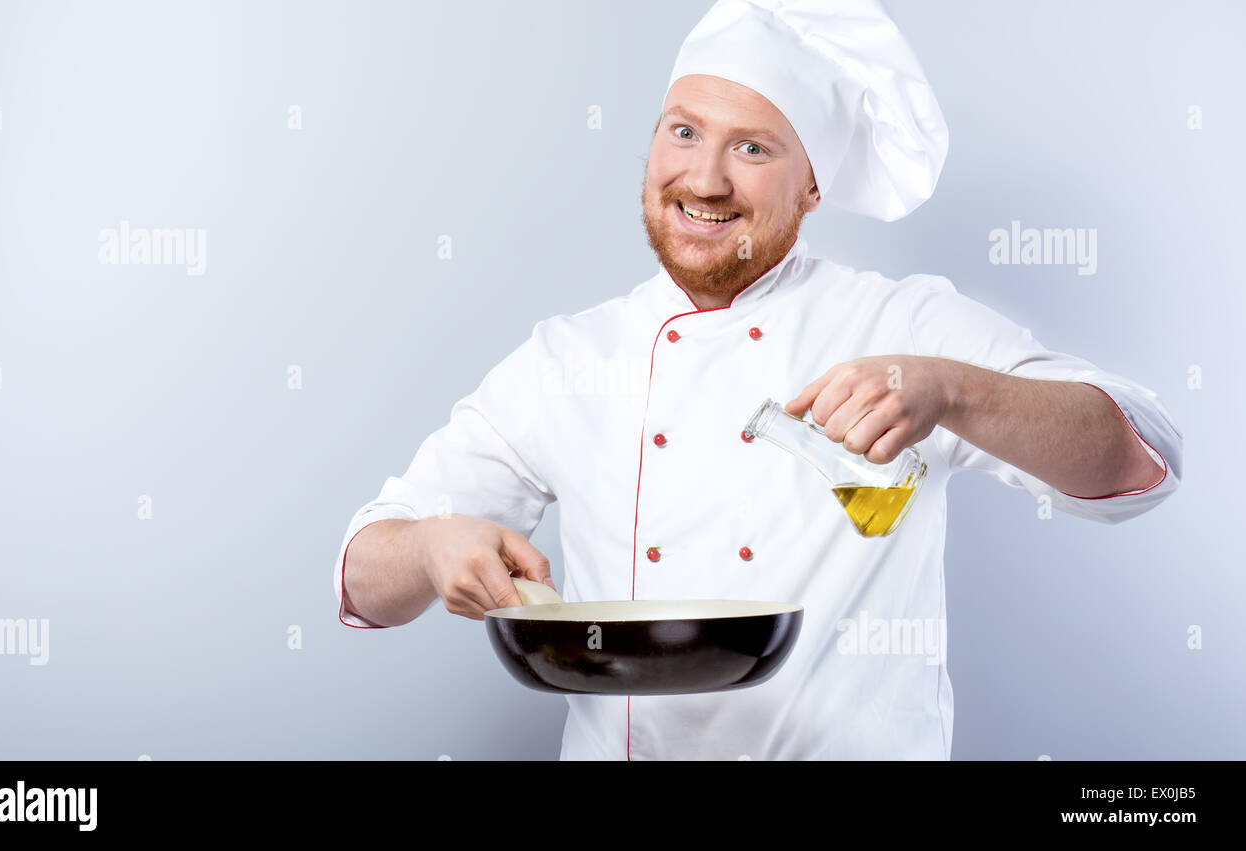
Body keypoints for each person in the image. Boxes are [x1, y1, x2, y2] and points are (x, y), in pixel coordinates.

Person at [331, 0, 1182, 759]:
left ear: (813, 186)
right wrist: (436, 544)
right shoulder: (570, 357)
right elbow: (366, 570)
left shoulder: (902, 328)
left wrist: (952, 391)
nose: (703, 179)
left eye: (751, 147)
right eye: (684, 130)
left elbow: (1139, 459)